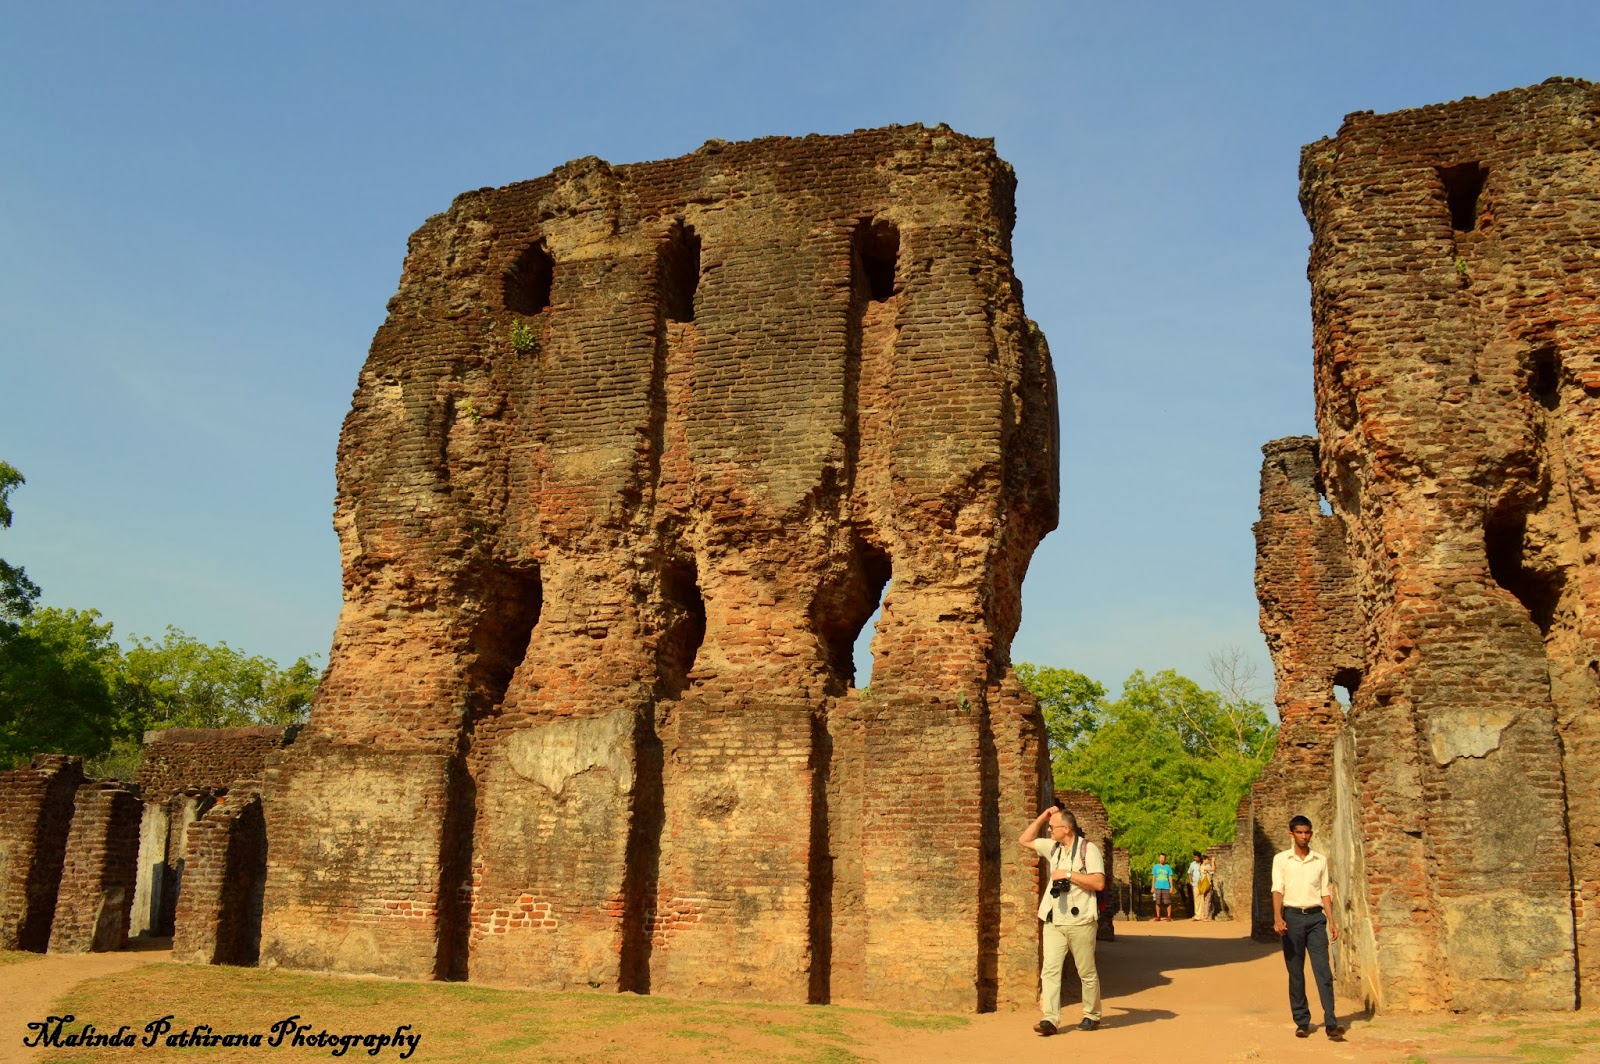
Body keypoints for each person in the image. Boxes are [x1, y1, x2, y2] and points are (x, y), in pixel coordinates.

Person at [1019, 804, 1107, 1036]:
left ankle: (1091, 1014)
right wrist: (1043, 816)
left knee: (1086, 971)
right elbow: (1025, 840)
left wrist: (1068, 875)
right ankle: (1050, 1018)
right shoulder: (1054, 848)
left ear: (1066, 829)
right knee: (1049, 970)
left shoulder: (1089, 850)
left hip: (1081, 920)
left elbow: (1098, 883)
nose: (1049, 831)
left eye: (1053, 827)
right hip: (1054, 918)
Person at [1271, 815, 1345, 1040]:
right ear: (1291, 834)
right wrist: (1278, 917)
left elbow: (1325, 892)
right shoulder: (1282, 859)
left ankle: (1331, 1022)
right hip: (1292, 918)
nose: (1304, 836)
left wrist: (1331, 921)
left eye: (1307, 832)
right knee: (1296, 973)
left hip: (1315, 919)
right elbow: (1277, 890)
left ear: (1311, 833)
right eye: (1300, 832)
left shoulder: (1319, 860)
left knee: (1323, 971)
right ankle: (1302, 1021)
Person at [1150, 853, 1175, 921]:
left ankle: (1169, 916)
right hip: (1157, 886)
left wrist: (1171, 887)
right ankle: (1158, 916)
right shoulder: (1155, 867)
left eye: (1163, 858)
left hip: (1166, 887)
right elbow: (1153, 877)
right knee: (1158, 902)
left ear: (1165, 859)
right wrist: (1152, 887)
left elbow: (1170, 877)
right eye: (1161, 857)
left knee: (1168, 902)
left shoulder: (1168, 867)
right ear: (1159, 858)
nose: (1162, 859)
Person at [1197, 853, 1216, 920]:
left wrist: (1214, 863)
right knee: (1207, 901)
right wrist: (1213, 861)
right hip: (1206, 886)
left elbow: (1213, 869)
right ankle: (1205, 916)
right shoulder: (1203, 867)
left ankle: (1205, 915)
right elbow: (1213, 869)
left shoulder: (1203, 867)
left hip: (1207, 885)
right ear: (1204, 860)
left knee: (1207, 900)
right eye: (1207, 859)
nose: (1208, 860)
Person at [1186, 851, 1203, 919]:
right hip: (1195, 884)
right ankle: (1197, 915)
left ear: (1199, 857)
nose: (1195, 858)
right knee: (1196, 899)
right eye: (1194, 857)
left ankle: (1202, 914)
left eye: (1196, 857)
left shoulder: (1203, 863)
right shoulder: (1192, 864)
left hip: (1203, 884)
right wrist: (1191, 881)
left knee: (1202, 899)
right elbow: (1189, 873)